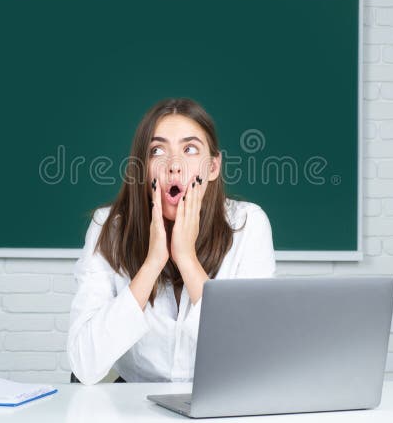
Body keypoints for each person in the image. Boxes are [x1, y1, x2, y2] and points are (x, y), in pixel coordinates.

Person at [67, 97, 276, 384]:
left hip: (220, 399)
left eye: (190, 149)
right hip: (135, 403)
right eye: (157, 151)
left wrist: (186, 258)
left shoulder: (248, 224)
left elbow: (253, 354)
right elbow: (84, 364)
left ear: (213, 167)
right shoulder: (109, 228)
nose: (174, 165)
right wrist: (152, 264)